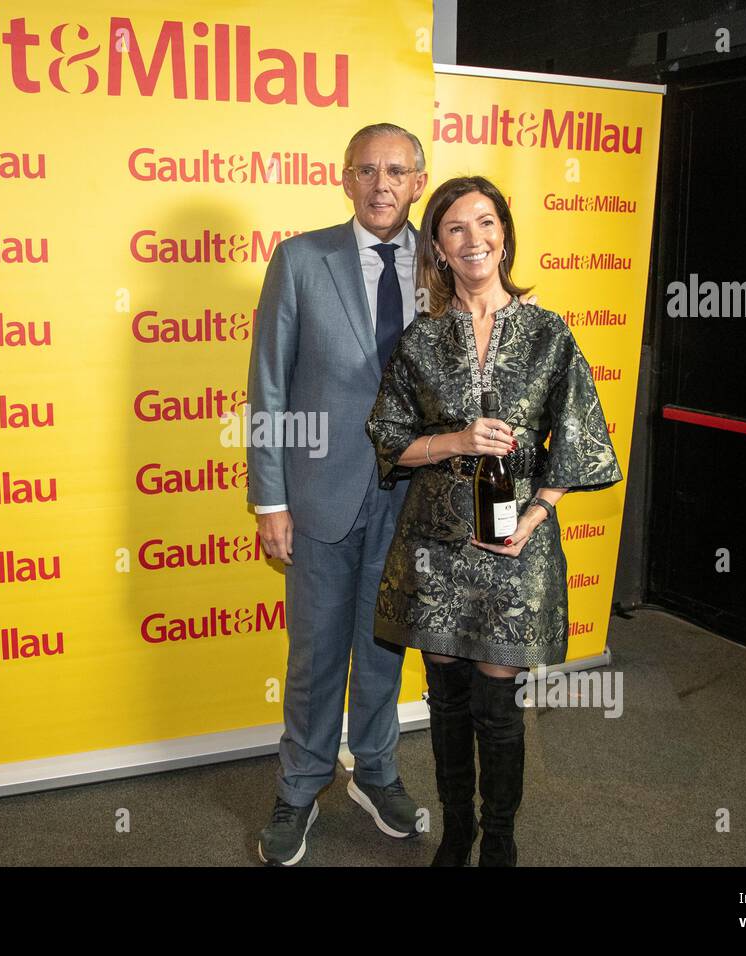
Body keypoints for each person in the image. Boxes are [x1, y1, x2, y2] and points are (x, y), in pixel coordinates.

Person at [366, 175, 622, 866]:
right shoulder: (421, 338)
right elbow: (391, 439)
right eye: (455, 228)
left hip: (516, 545)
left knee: (499, 706)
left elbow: (579, 440)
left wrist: (538, 515)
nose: (473, 238)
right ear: (439, 249)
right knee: (446, 699)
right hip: (436, 545)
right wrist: (455, 440)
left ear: (504, 234)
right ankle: (457, 831)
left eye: (486, 223)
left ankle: (500, 838)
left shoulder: (548, 334)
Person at [246, 123, 429, 865]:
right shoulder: (299, 259)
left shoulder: (447, 263)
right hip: (320, 492)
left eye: (396, 171)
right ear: (344, 179)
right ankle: (300, 786)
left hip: (416, 497)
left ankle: (376, 772)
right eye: (366, 171)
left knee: (385, 645)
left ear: (419, 181)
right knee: (317, 652)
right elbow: (268, 387)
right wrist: (271, 501)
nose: (381, 184)